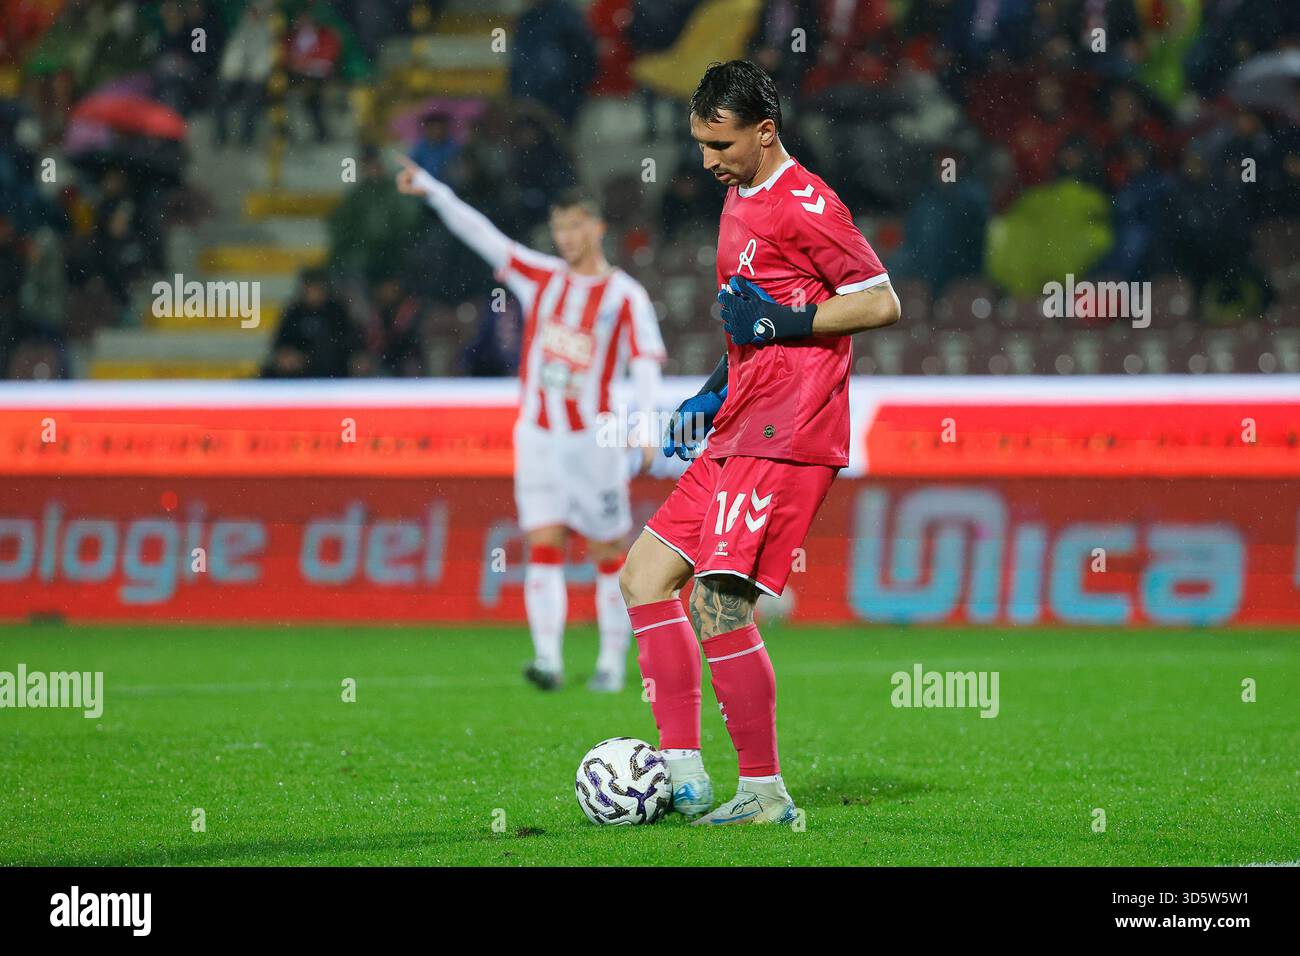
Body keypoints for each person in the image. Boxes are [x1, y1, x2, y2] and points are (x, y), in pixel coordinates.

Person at [618, 60, 900, 824]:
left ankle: (765, 795)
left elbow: (880, 301)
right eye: (700, 144)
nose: (707, 161)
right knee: (643, 577)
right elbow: (753, 314)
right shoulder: (738, 196)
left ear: (765, 132)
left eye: (720, 143)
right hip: (741, 420)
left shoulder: (807, 203)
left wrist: (785, 326)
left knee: (719, 604)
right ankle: (682, 774)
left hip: (788, 430)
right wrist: (711, 390)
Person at [396, 155, 667, 694]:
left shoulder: (625, 296)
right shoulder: (538, 277)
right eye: (559, 227)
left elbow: (645, 363)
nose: (566, 236)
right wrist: (431, 188)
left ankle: (612, 663)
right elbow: (481, 234)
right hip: (537, 436)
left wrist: (645, 427)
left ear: (597, 228)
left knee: (607, 552)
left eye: (575, 226)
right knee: (542, 541)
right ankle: (548, 660)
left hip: (594, 440)